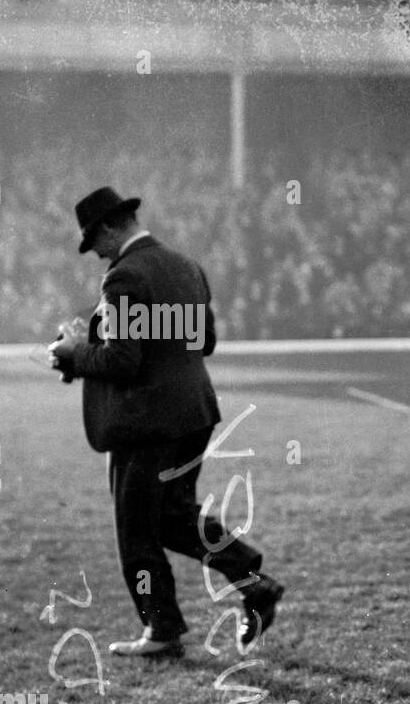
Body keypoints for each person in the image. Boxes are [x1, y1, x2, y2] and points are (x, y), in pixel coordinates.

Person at [49, 187, 284, 659]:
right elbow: (206, 340)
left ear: (112, 226)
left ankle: (163, 629)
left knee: (137, 530)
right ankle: (253, 582)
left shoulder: (124, 277)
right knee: (172, 518)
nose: (95, 252)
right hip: (193, 414)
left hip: (146, 424)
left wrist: (75, 353)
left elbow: (123, 359)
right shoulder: (185, 267)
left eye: (94, 240)